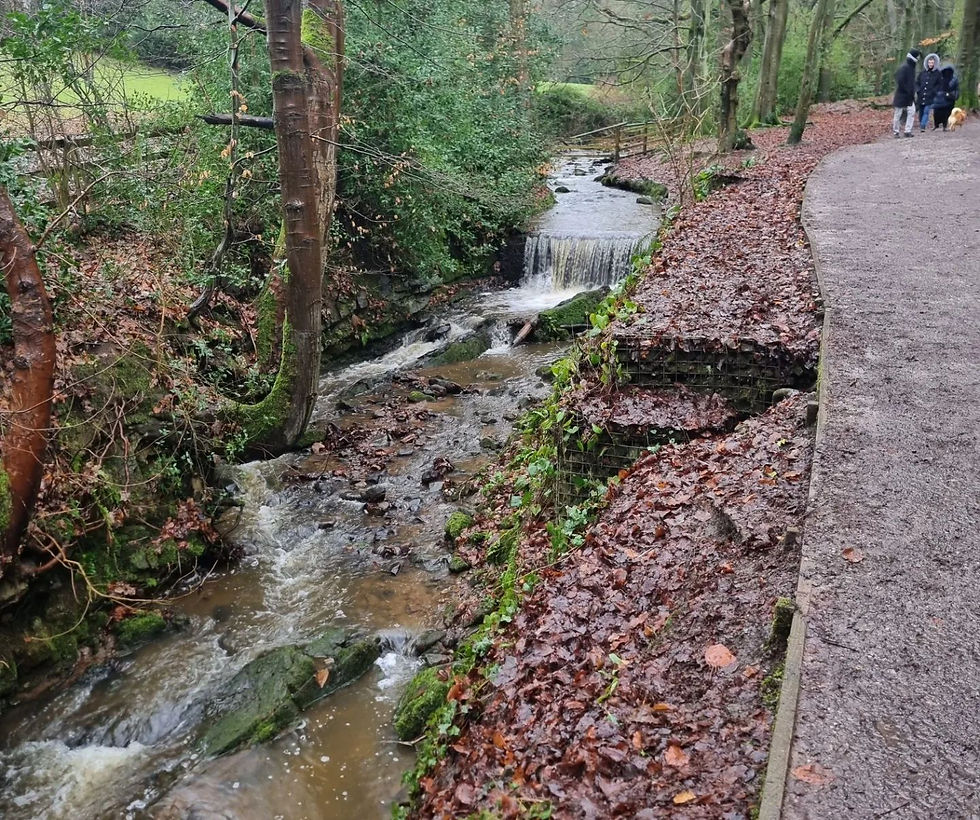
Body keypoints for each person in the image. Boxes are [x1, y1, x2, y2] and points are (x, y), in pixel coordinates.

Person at [892, 49, 920, 138]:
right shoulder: (905, 67)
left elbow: (911, 82)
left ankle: (907, 131)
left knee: (911, 112)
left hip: (909, 95)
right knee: (898, 113)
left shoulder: (911, 67)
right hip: (901, 94)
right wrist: (907, 89)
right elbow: (899, 79)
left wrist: (913, 89)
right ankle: (896, 132)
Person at [916, 52, 942, 132]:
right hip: (921, 96)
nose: (931, 64)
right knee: (921, 112)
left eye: (932, 63)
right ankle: (921, 123)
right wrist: (918, 90)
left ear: (935, 63)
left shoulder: (937, 73)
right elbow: (917, 82)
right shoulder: (922, 73)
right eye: (930, 62)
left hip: (930, 96)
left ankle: (923, 126)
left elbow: (939, 84)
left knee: (926, 112)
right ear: (927, 62)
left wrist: (934, 91)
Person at [931, 63, 960, 131]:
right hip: (939, 99)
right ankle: (936, 125)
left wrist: (954, 96)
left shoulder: (954, 79)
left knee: (947, 113)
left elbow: (957, 89)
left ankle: (944, 126)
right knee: (937, 113)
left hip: (949, 99)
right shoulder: (939, 78)